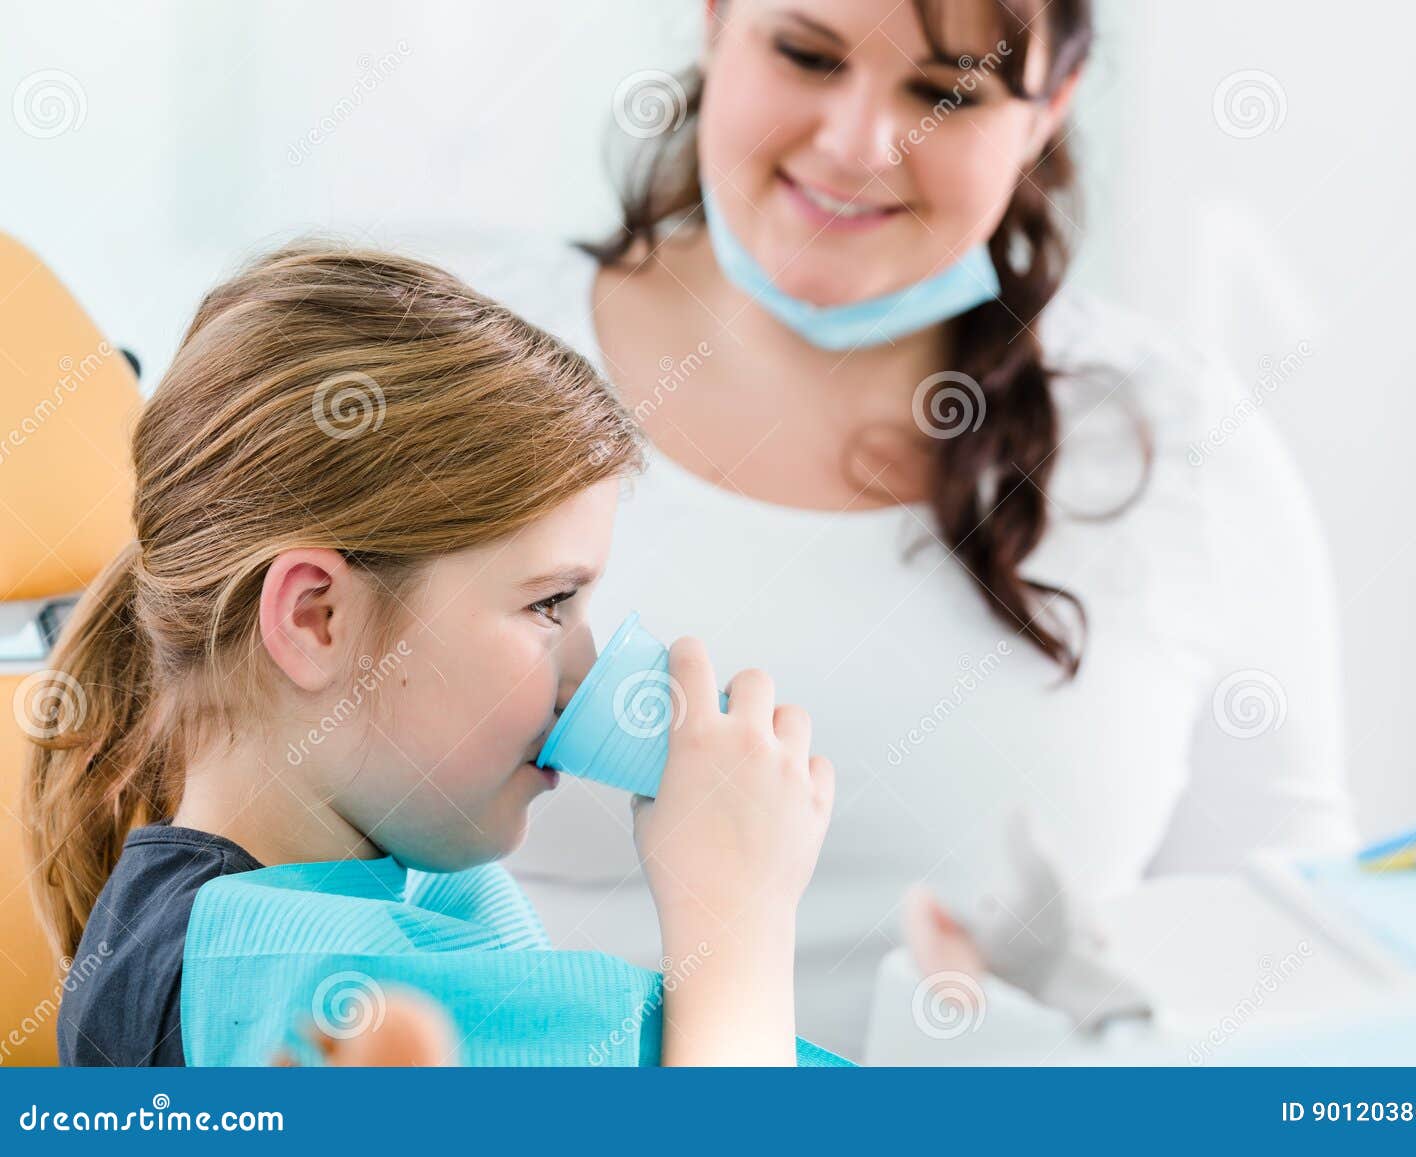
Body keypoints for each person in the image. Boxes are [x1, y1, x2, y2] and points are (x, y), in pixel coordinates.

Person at [454, 0, 1358, 1056]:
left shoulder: (1181, 447)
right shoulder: (456, 370)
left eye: (944, 94)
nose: (860, 145)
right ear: (712, 25)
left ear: (1047, 110)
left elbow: (1286, 956)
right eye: (804, 54)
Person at [23, 243, 836, 1067]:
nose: (586, 674)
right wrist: (738, 924)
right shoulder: (326, 997)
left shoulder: (381, 885)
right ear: (316, 619)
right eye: (549, 603)